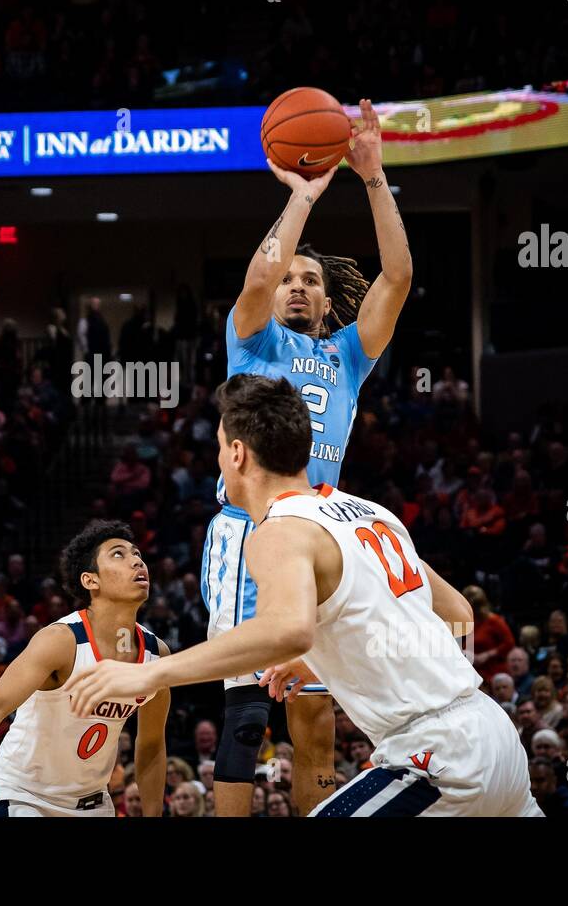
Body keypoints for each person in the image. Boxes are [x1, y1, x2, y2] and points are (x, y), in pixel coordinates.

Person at [67, 375, 540, 816]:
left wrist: (154, 675)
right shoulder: (369, 512)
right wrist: (325, 661)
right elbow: (458, 613)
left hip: (436, 757)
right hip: (493, 735)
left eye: (217, 448)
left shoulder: (278, 532)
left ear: (236, 453)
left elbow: (286, 631)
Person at [200, 100, 413, 817]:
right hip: (249, 532)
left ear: (327, 302)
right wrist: (301, 195)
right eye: (290, 275)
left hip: (323, 535)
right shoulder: (253, 343)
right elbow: (257, 281)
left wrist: (374, 178)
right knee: (245, 715)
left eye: (310, 279)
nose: (295, 283)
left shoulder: (347, 355)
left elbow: (397, 280)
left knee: (316, 720)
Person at [0, 520, 170, 816]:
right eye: (119, 554)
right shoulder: (61, 640)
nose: (136, 561)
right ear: (90, 580)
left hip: (91, 804)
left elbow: (152, 744)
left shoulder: (156, 654)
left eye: (137, 554)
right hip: (21, 794)